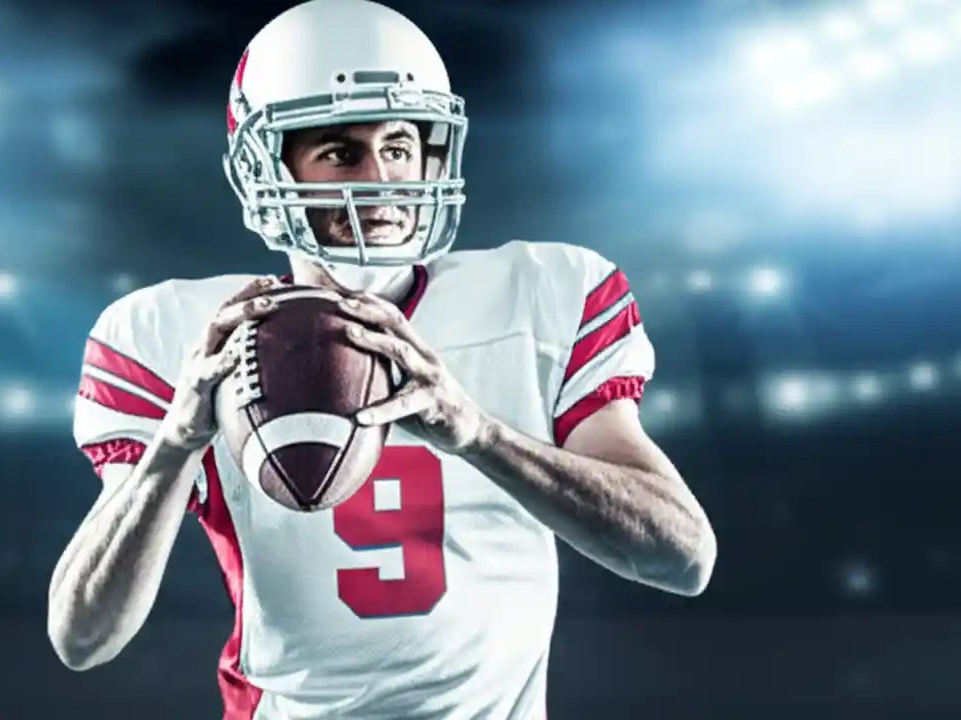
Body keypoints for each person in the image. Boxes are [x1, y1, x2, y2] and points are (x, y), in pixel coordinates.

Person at [48, 0, 718, 717]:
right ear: (265, 164)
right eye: (340, 151)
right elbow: (83, 635)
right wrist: (174, 445)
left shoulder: (545, 296)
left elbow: (682, 557)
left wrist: (479, 435)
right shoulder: (184, 335)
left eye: (399, 145)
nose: (383, 177)